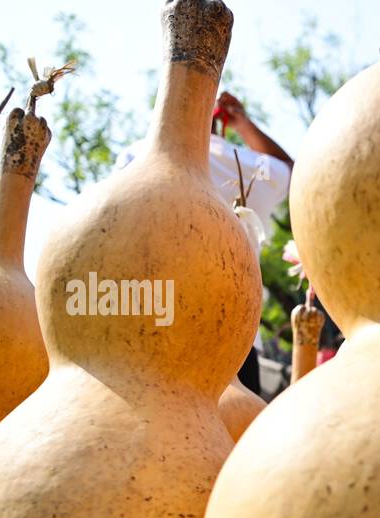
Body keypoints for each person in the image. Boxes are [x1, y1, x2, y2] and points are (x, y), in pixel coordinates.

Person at [116, 91, 293, 396]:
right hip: (236, 340)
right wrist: (243, 123)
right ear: (218, 124)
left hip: (155, 324)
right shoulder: (254, 167)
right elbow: (289, 168)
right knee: (231, 437)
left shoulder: (136, 156)